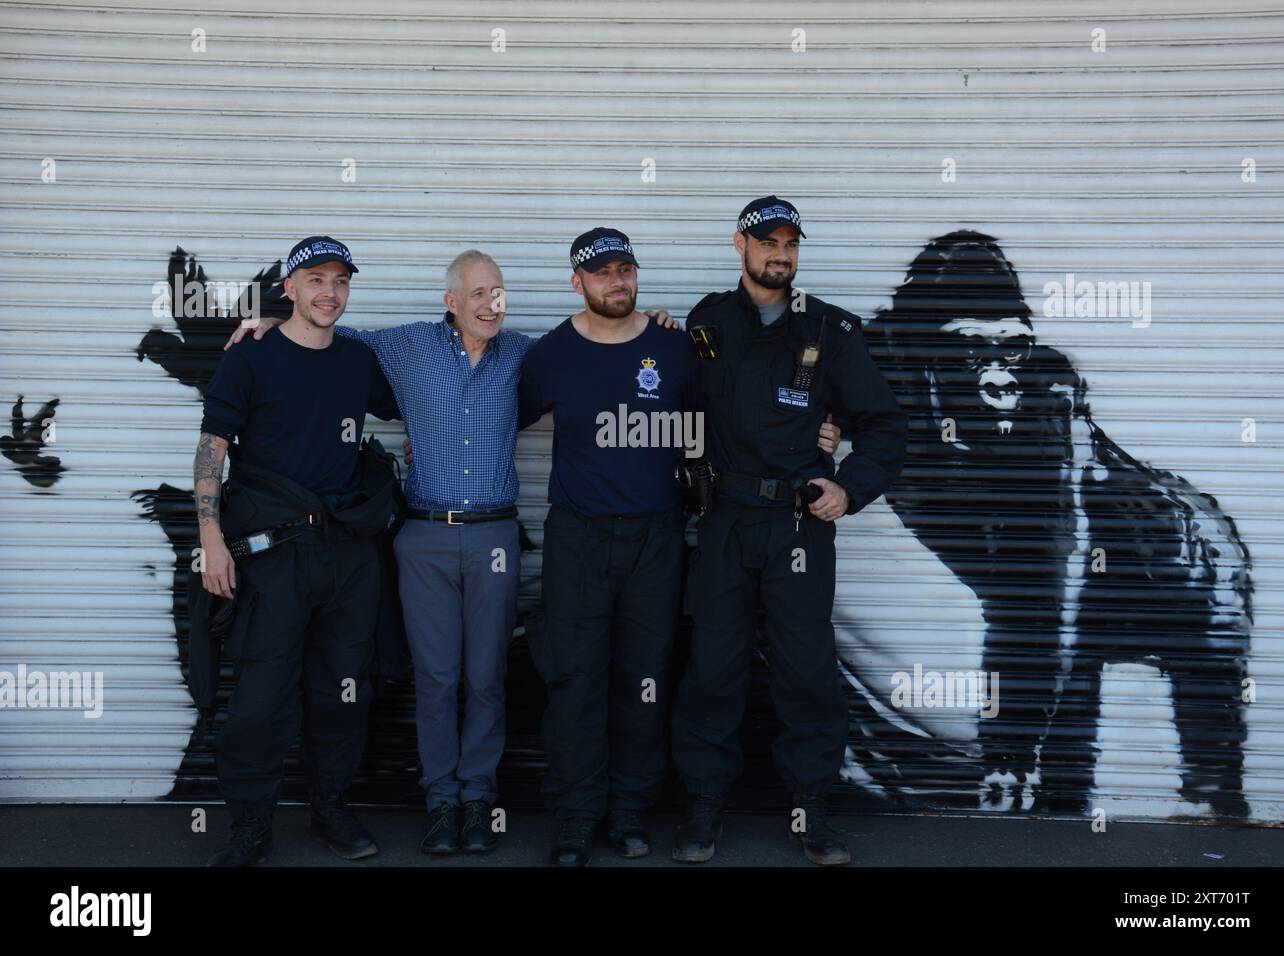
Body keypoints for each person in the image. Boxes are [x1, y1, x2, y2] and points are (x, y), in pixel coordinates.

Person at [228, 249, 681, 857]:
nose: (491, 303)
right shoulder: (407, 346)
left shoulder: (527, 353)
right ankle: (441, 803)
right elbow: (324, 330)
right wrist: (261, 326)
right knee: (437, 680)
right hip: (424, 538)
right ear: (451, 302)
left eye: (498, 292)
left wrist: (649, 319)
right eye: (477, 294)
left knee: (488, 679)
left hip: (494, 535)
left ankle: (479, 801)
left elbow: (599, 345)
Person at [519, 228, 843, 867]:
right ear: (576, 281)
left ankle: (631, 811)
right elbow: (493, 410)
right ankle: (578, 816)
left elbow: (742, 412)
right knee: (575, 679)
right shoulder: (549, 354)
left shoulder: (678, 346)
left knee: (645, 678)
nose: (617, 282)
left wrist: (823, 429)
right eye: (602, 272)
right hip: (577, 536)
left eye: (625, 270)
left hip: (658, 536)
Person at [669, 197, 909, 865]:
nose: (780, 253)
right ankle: (704, 802)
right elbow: (678, 402)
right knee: (712, 671)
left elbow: (886, 427)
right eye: (767, 241)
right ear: (739, 245)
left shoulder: (831, 331)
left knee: (805, 674)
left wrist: (849, 486)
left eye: (790, 243)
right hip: (722, 523)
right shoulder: (706, 324)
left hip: (798, 528)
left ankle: (811, 806)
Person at [196, 236, 401, 866]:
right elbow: (211, 453)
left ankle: (331, 808)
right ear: (289, 288)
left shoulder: (358, 362)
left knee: (343, 688)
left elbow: (416, 399)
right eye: (316, 280)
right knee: (261, 696)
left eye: (340, 281)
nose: (329, 292)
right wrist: (210, 541)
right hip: (270, 556)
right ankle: (251, 827)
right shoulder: (250, 359)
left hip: (345, 555)